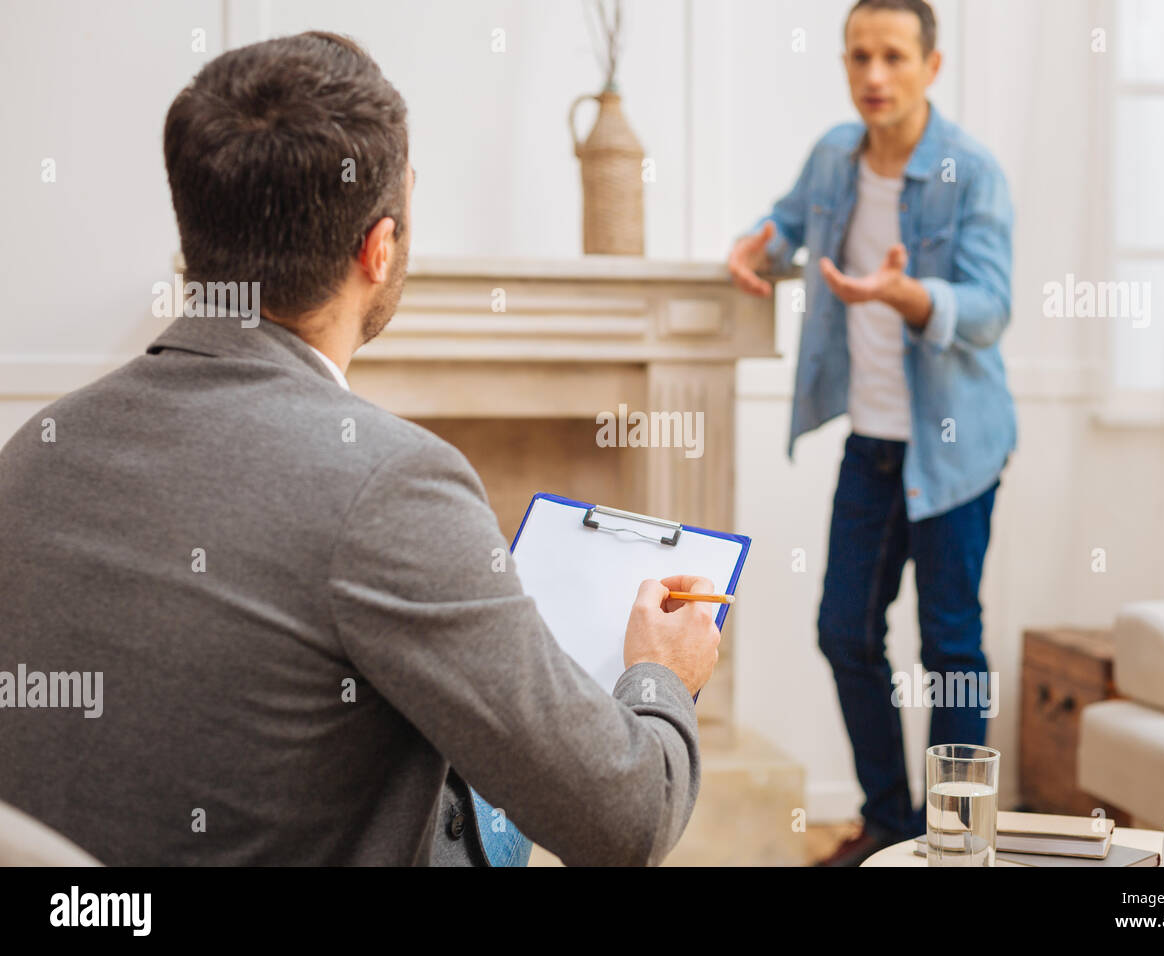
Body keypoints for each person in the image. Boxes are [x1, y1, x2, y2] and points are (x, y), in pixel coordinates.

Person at [0, 31, 721, 867]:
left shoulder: (32, 451)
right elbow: (628, 820)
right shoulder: (393, 484)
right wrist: (660, 676)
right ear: (379, 249)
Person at [728, 0, 1015, 866]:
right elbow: (789, 222)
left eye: (893, 56)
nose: (874, 75)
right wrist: (755, 245)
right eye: (859, 56)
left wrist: (908, 296)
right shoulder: (834, 154)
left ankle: (953, 841)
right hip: (873, 443)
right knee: (845, 631)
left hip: (954, 450)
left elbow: (992, 307)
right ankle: (890, 822)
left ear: (932, 66)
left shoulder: (972, 170)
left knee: (950, 647)